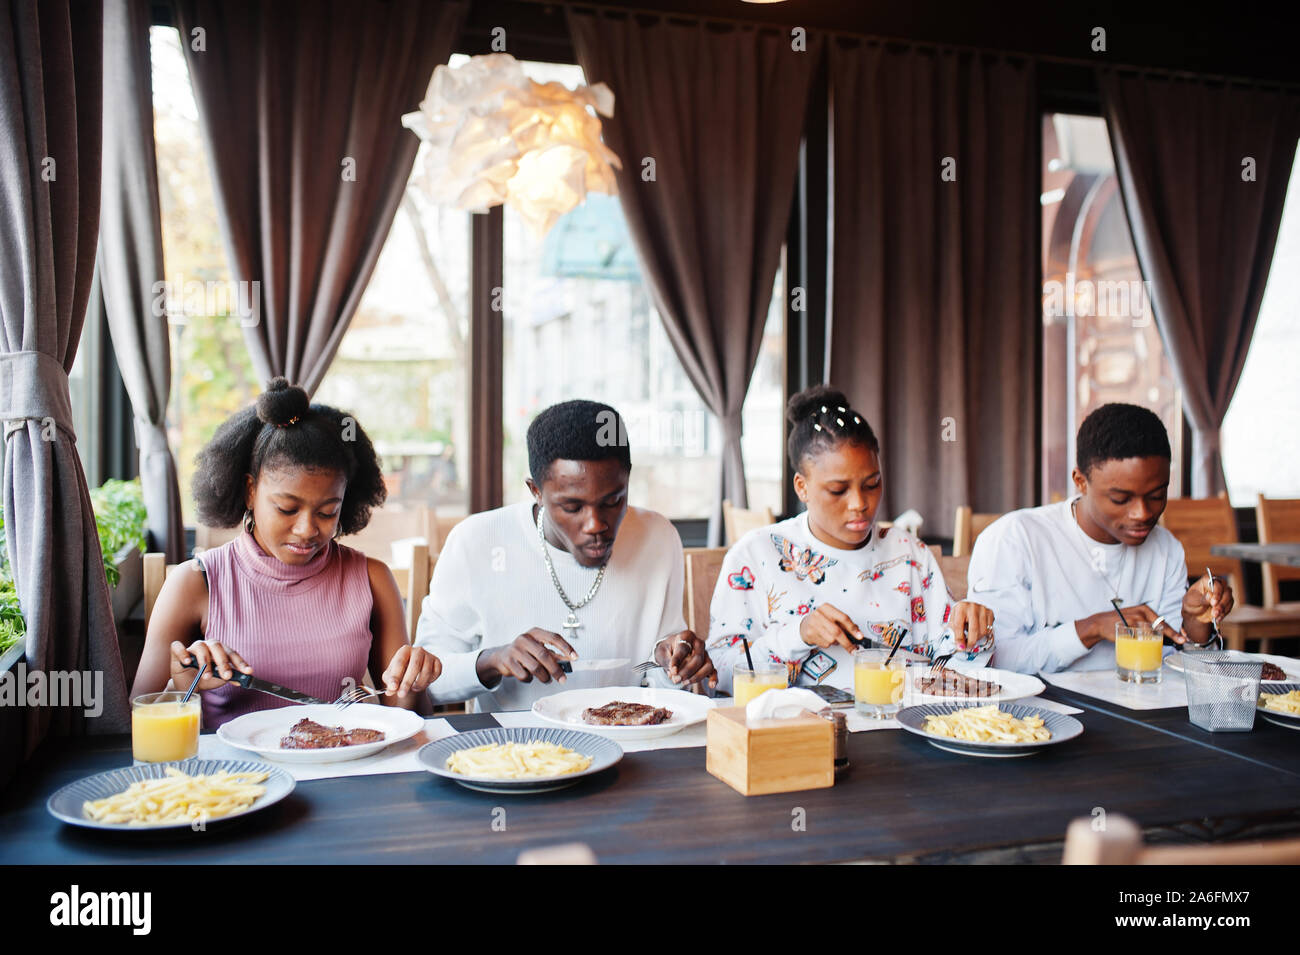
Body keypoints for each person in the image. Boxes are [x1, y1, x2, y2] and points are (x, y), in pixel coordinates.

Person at [133, 378, 441, 727]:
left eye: (327, 512)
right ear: (250, 491)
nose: (307, 529)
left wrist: (415, 682)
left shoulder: (371, 578)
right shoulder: (196, 583)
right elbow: (134, 719)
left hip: (340, 770)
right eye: (286, 509)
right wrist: (183, 686)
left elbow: (405, 719)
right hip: (238, 779)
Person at [415, 399, 715, 713]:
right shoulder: (476, 540)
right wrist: (491, 660)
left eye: (613, 501)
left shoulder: (657, 537)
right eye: (572, 507)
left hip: (627, 739)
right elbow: (426, 682)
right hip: (510, 752)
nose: (596, 524)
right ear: (536, 492)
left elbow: (660, 680)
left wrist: (676, 662)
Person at [707, 385, 995, 696]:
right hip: (796, 734)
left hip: (897, 728)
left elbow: (953, 666)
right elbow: (719, 675)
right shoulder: (755, 555)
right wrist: (798, 635)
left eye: (872, 484)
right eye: (838, 490)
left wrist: (971, 631)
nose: (859, 503)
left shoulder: (909, 553)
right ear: (801, 487)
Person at [967, 402, 1234, 675]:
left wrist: (1195, 623)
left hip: (1140, 707)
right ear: (1080, 481)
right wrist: (1090, 628)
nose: (1142, 513)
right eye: (1121, 499)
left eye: (1156, 496)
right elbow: (993, 658)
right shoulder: (1016, 539)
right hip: (1043, 711)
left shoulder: (1165, 549)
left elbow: (1177, 666)